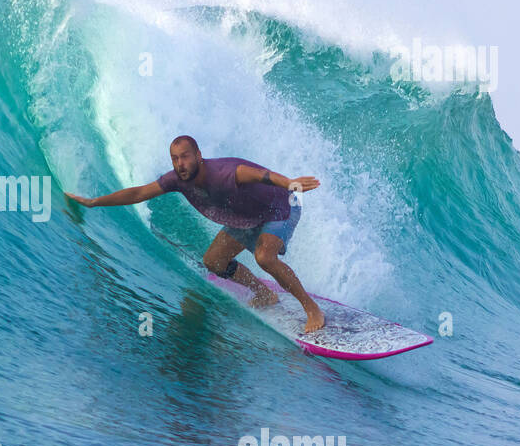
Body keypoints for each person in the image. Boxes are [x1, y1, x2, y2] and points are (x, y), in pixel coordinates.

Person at [65, 135, 326, 332]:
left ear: (198, 155)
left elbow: (261, 175)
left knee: (264, 257)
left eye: (185, 156)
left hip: (279, 206)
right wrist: (93, 202)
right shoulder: (176, 180)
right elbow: (139, 193)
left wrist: (291, 182)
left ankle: (312, 310)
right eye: (175, 159)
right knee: (213, 261)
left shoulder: (223, 173)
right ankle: (264, 293)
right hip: (245, 218)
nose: (180, 164)